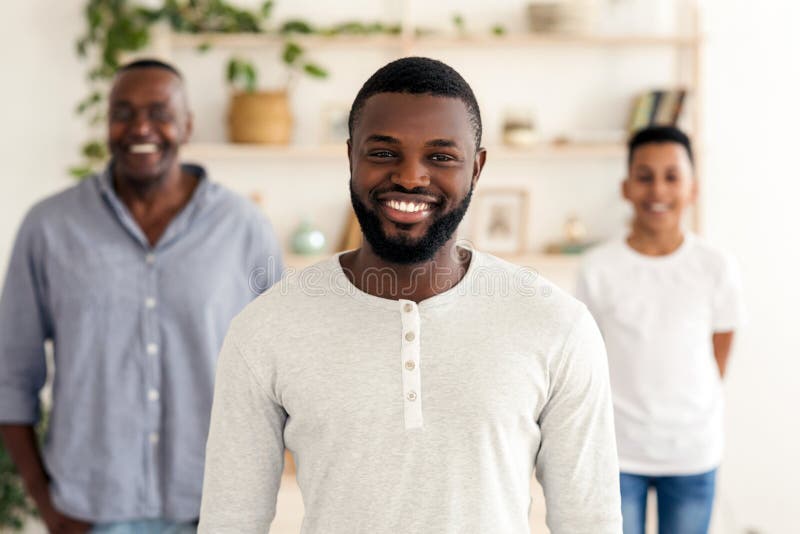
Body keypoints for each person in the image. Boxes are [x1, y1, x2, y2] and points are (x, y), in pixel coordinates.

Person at [199, 57, 622, 533]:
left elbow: (591, 520)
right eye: (383, 153)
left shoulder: (557, 325)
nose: (411, 177)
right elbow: (229, 519)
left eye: (441, 156)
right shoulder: (265, 328)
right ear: (350, 157)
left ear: (477, 168)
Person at [0, 59, 283, 533]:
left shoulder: (244, 228)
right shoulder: (49, 227)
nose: (141, 128)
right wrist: (47, 507)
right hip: (87, 512)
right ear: (107, 123)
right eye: (124, 112)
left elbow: (282, 375)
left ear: (188, 124)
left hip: (212, 509)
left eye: (159, 112)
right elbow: (10, 376)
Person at [576, 126, 746, 534]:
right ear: (626, 187)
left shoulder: (715, 267)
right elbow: (586, 357)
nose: (658, 190)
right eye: (645, 176)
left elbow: (718, 353)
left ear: (692, 188)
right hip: (616, 453)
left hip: (691, 452)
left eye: (672, 176)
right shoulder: (598, 267)